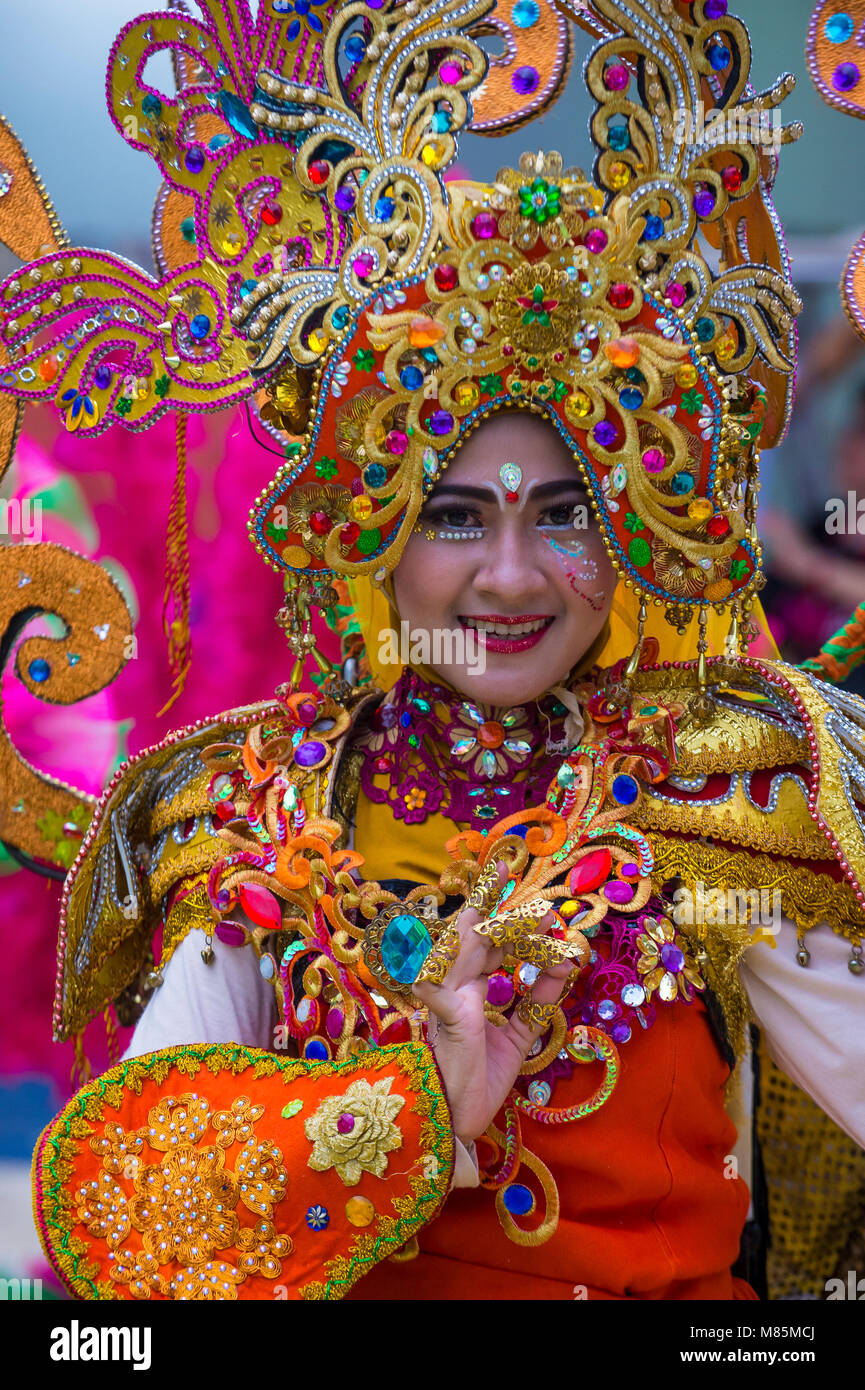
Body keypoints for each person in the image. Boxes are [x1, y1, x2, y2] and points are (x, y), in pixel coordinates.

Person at [7, 0, 865, 1302]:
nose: (511, 576)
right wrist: (418, 1102)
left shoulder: (722, 797)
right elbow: (117, 1217)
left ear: (629, 526)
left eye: (562, 510)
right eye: (456, 515)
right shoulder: (256, 816)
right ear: (374, 537)